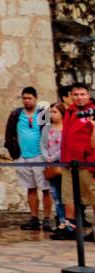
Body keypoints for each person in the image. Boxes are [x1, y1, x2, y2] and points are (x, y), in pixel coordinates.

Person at [5, 86, 52, 230]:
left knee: (45, 189)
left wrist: (48, 154)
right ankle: (33, 218)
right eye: (24, 98)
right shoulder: (16, 114)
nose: (26, 101)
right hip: (23, 156)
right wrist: (13, 153)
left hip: (40, 156)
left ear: (35, 98)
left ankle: (47, 218)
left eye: (29, 98)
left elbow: (49, 132)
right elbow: (8, 134)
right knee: (30, 188)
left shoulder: (43, 113)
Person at [54, 83, 95, 240]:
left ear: (88, 96)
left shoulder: (92, 112)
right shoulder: (69, 111)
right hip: (69, 160)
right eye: (76, 95)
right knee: (68, 195)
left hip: (87, 161)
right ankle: (70, 226)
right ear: (71, 96)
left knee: (92, 195)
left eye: (82, 94)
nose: (79, 98)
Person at [43, 103, 67, 233]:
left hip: (61, 163)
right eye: (50, 112)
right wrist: (47, 156)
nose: (52, 115)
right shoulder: (47, 128)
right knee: (55, 193)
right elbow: (42, 144)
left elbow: (65, 146)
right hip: (50, 163)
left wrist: (54, 157)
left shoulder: (66, 128)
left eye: (55, 112)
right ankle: (61, 220)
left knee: (65, 194)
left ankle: (68, 221)